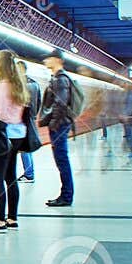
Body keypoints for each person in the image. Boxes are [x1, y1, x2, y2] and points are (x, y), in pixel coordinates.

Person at [0, 49, 30, 230]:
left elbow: (0, 114)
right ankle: (12, 217)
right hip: (18, 135)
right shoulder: (20, 85)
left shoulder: (2, 85)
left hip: (3, 135)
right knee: (11, 177)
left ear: (1, 65)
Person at [39, 54, 77, 207]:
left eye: (49, 58)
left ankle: (66, 196)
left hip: (59, 125)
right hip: (60, 124)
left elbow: (60, 104)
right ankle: (65, 194)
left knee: (62, 159)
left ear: (58, 60)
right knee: (61, 160)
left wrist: (53, 124)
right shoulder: (57, 78)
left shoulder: (60, 79)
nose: (45, 61)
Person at [19, 60, 42, 182]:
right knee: (27, 146)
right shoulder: (35, 84)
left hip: (23, 120)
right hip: (31, 118)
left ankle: (29, 174)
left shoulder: (21, 85)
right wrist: (33, 115)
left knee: (24, 147)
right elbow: (39, 103)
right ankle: (29, 172)